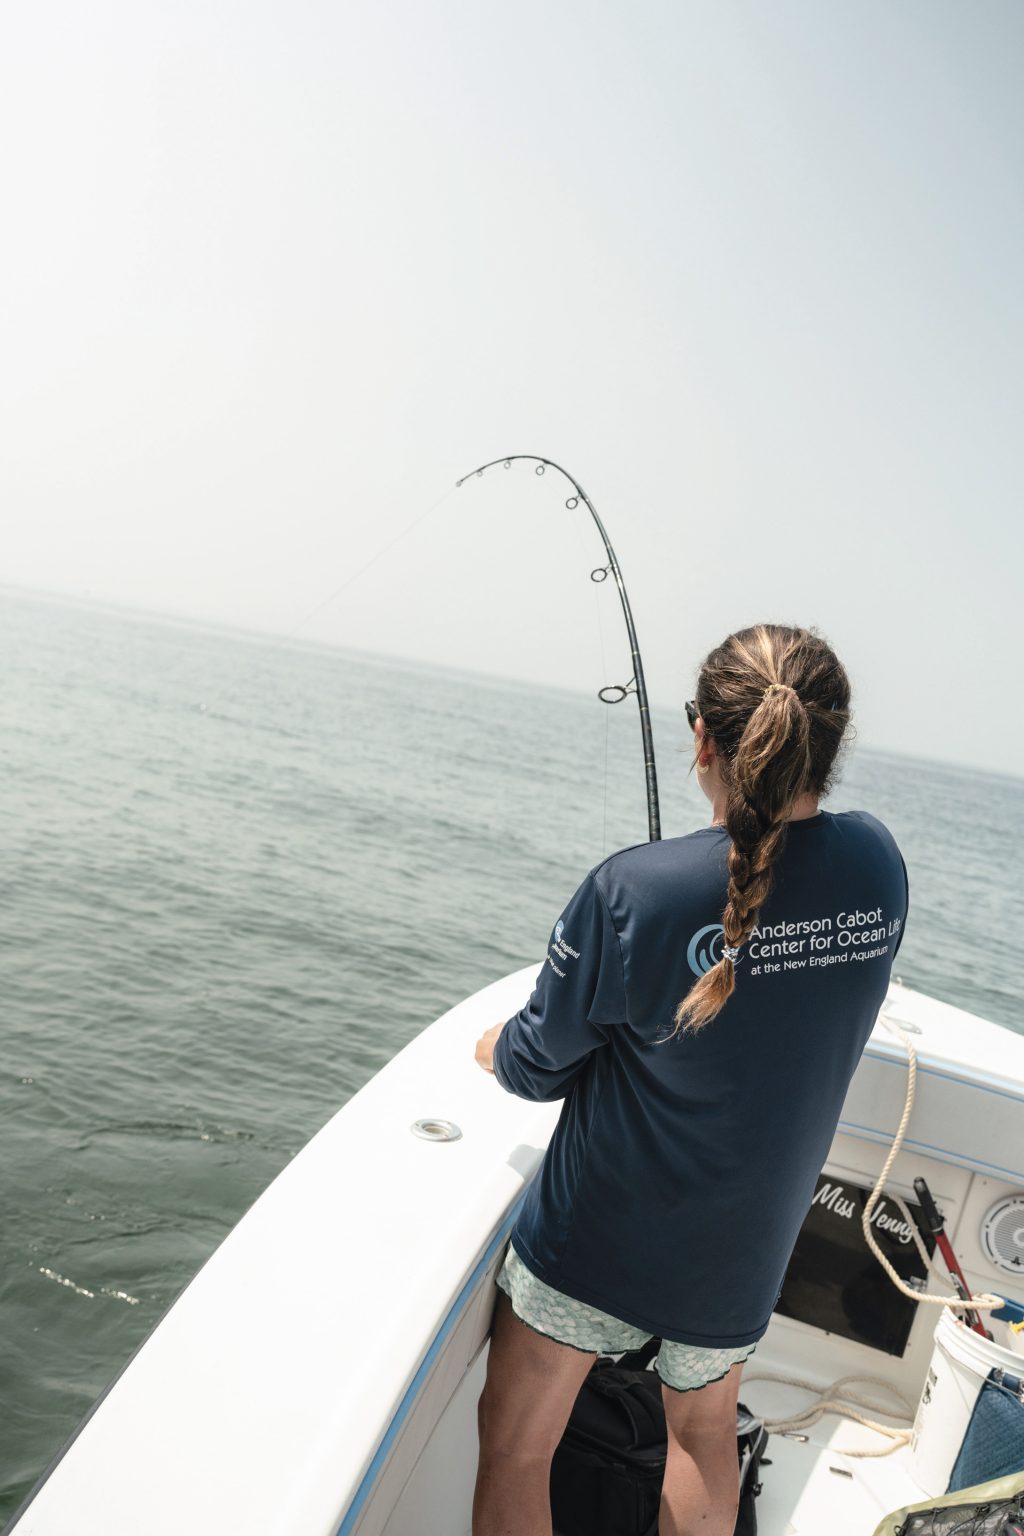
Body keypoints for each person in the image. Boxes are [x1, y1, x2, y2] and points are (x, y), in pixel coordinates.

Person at [471, 623, 909, 1536]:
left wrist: (491, 1045)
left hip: (596, 1247)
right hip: (742, 1256)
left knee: (518, 1444)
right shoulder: (879, 868)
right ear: (829, 746)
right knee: (702, 1435)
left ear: (704, 740)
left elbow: (534, 1066)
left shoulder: (634, 890)